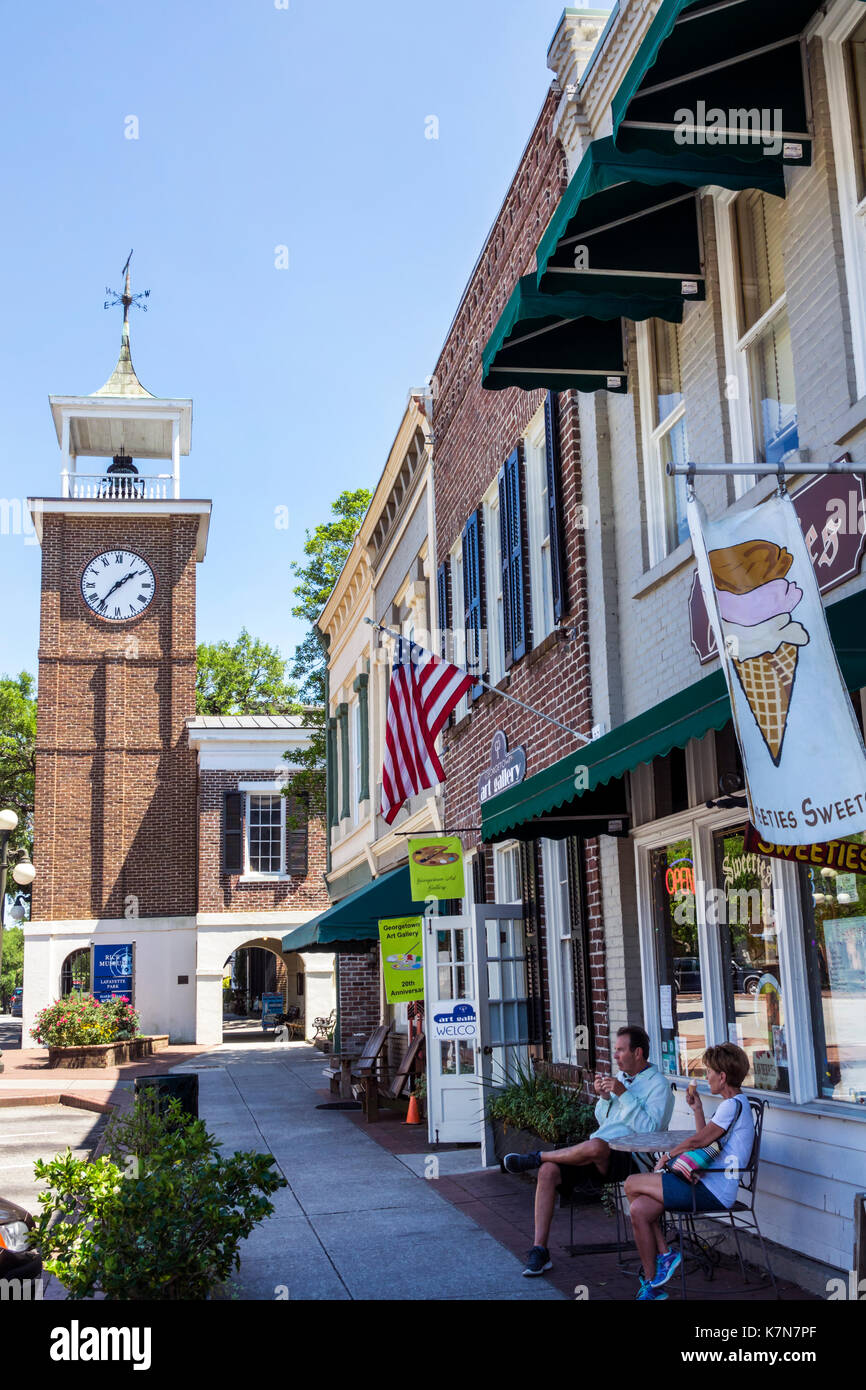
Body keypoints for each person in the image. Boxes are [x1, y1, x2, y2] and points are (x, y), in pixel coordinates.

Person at [503, 1025, 674, 1276]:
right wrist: (604, 1099)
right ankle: (539, 1250)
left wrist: (622, 1094)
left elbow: (650, 1129)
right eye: (615, 1050)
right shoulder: (622, 1079)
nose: (615, 1056)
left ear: (638, 1053)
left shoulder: (659, 1086)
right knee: (549, 1172)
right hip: (599, 1151)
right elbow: (604, 1123)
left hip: (631, 1158)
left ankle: (536, 1157)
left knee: (594, 1146)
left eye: (620, 1050)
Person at [623, 1042, 755, 1301]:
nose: (707, 1078)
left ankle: (664, 1257)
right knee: (639, 1210)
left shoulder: (731, 1105)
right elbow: (706, 1139)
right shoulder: (736, 1103)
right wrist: (697, 1110)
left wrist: (667, 1157)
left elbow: (698, 1142)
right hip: (705, 1182)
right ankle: (653, 1284)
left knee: (630, 1183)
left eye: (709, 1072)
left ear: (723, 1076)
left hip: (711, 1190)